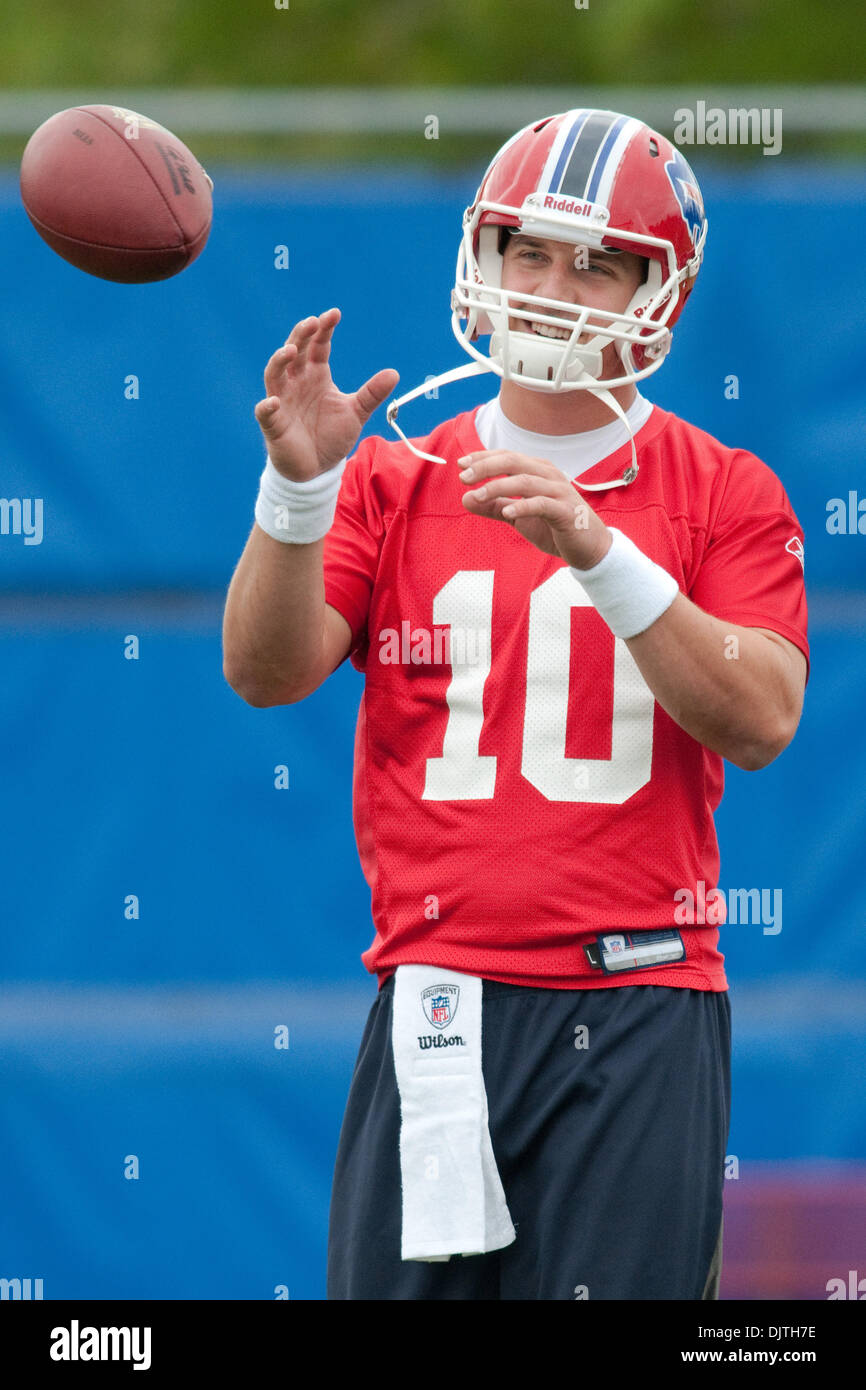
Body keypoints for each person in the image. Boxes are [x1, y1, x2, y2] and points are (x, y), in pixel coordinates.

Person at [222, 108, 809, 1300]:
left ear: (659, 290)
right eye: (528, 250)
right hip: (438, 995)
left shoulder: (722, 491)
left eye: (597, 263)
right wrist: (297, 494)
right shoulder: (392, 478)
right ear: (480, 259)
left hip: (638, 995)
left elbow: (761, 719)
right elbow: (264, 670)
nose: (552, 285)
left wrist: (600, 551)